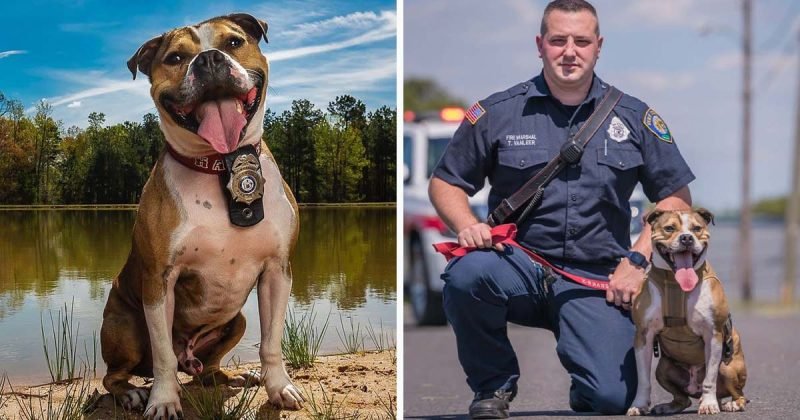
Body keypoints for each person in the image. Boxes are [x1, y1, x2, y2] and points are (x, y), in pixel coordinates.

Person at [428, 0, 695, 417]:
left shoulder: (634, 116)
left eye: (581, 41)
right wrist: (466, 224)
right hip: (516, 265)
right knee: (466, 274)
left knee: (612, 400)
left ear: (598, 46)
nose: (570, 51)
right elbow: (446, 181)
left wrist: (637, 260)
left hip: (597, 278)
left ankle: (588, 383)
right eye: (558, 40)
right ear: (540, 45)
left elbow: (675, 196)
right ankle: (492, 388)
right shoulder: (499, 112)